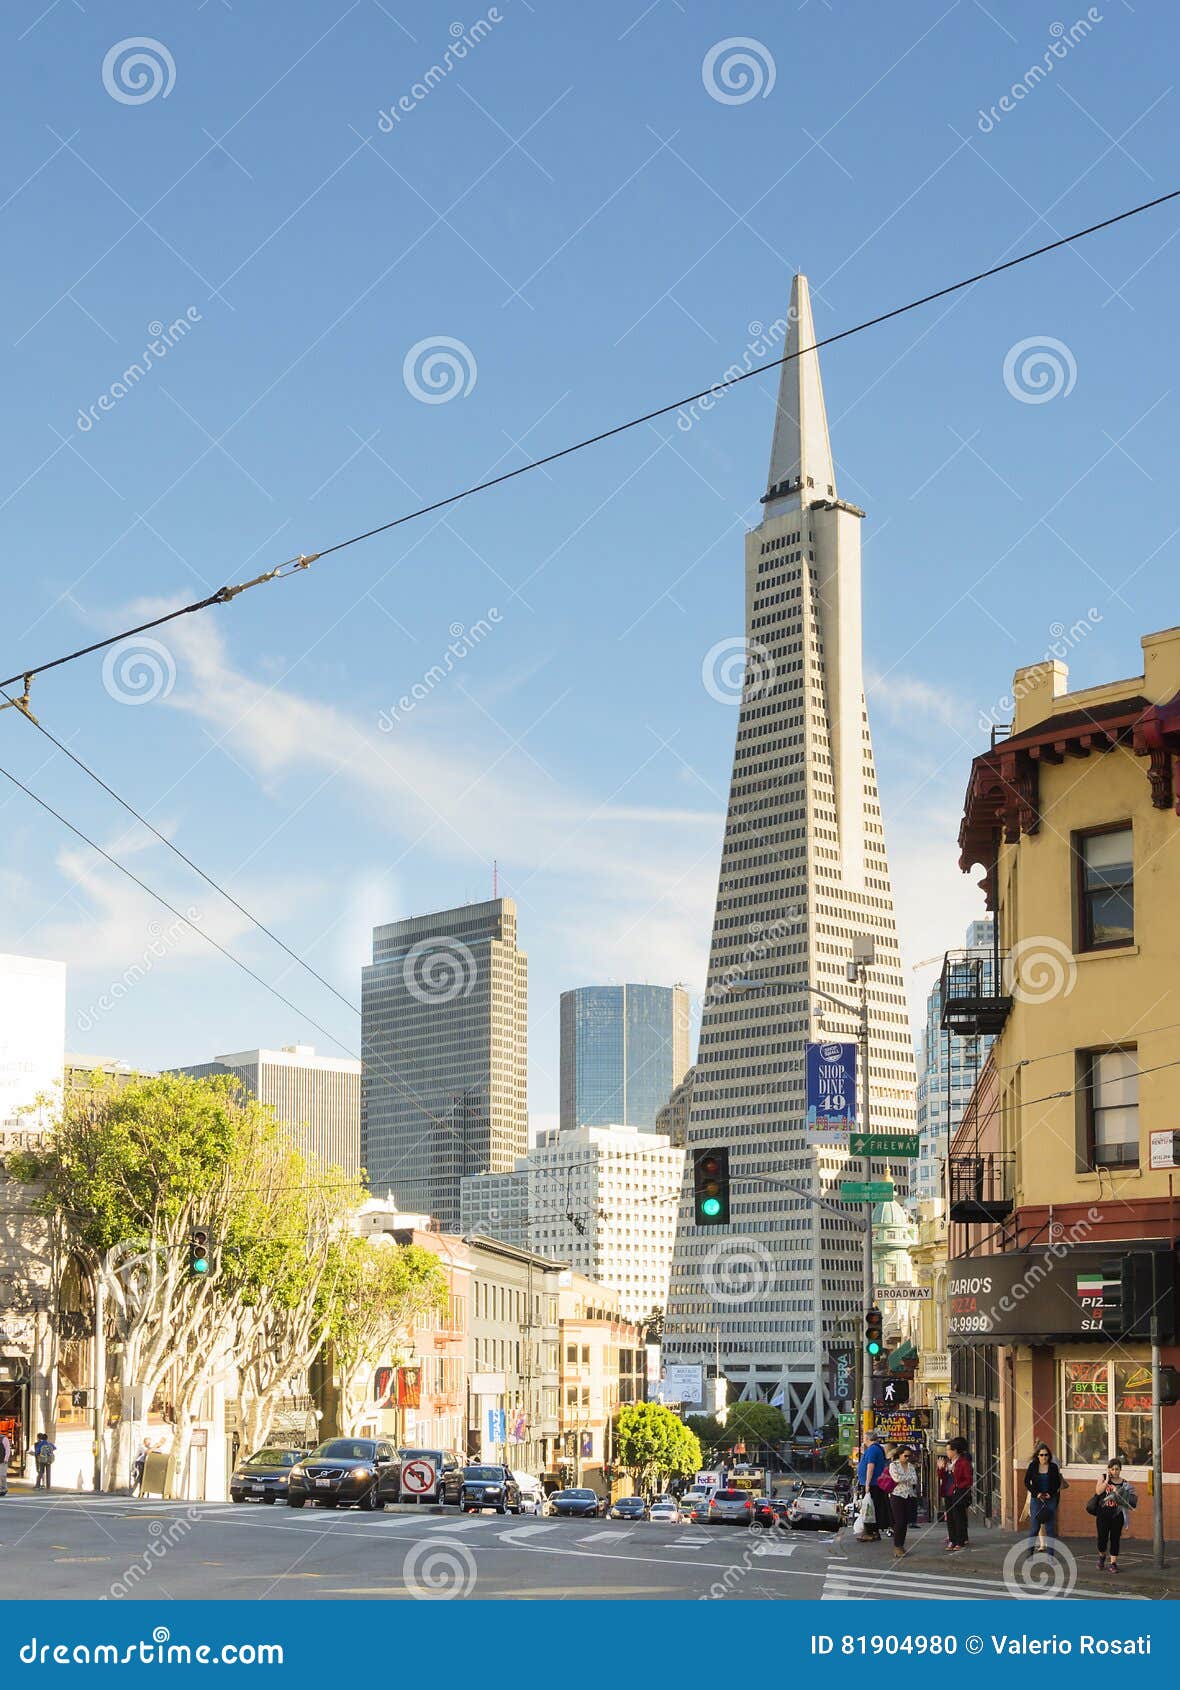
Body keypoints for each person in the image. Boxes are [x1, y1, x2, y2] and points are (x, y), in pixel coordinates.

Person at [1094, 1458, 1137, 1574]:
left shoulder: (1125, 1483)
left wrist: (1119, 1493)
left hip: (1117, 1515)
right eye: (1112, 1469)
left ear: (1120, 1470)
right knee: (1102, 1539)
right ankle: (1102, 1557)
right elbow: (1098, 1492)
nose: (1114, 1471)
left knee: (1115, 1538)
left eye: (1117, 1469)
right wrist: (1107, 1480)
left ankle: (1113, 1563)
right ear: (1109, 1469)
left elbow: (1129, 1501)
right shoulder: (1103, 1478)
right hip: (1103, 1514)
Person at [1024, 1442, 1062, 1556]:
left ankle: (1051, 1554)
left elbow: (1057, 1483)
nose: (1044, 1457)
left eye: (1046, 1455)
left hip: (1050, 1499)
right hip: (1037, 1500)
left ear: (1049, 1456)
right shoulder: (1033, 1466)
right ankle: (1029, 1552)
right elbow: (1026, 1482)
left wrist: (1050, 1493)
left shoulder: (1053, 1467)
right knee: (1035, 1528)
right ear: (1037, 1456)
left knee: (1050, 1529)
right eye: (1041, 1455)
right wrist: (1037, 1493)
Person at [856, 1433, 890, 1542]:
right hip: (876, 1483)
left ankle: (869, 1532)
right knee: (874, 1507)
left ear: (868, 1438)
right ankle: (874, 1532)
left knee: (869, 1508)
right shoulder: (876, 1449)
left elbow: (870, 1467)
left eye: (864, 1438)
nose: (863, 1440)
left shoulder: (872, 1450)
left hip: (872, 1484)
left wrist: (867, 1483)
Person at [887, 1445, 919, 1558]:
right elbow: (896, 1478)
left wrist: (904, 1478)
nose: (907, 1458)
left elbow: (915, 1479)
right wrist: (907, 1478)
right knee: (899, 1521)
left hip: (909, 1495)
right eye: (905, 1456)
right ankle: (897, 1546)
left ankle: (901, 1545)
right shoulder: (893, 1465)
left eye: (909, 1456)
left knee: (905, 1522)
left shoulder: (911, 1466)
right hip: (897, 1495)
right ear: (899, 1455)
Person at [942, 1437, 973, 1551]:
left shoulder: (963, 1463)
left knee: (958, 1517)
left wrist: (958, 1486)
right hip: (948, 1492)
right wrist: (941, 1469)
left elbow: (968, 1479)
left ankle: (960, 1540)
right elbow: (943, 1477)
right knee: (950, 1517)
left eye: (949, 1450)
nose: (947, 1452)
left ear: (955, 1451)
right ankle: (952, 1540)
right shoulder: (948, 1463)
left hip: (958, 1492)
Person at [0, 1429, 11, 1496]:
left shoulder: (4, 1438)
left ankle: (4, 1488)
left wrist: (6, 1459)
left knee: (2, 1475)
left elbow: (7, 1449)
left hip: (2, 1460)